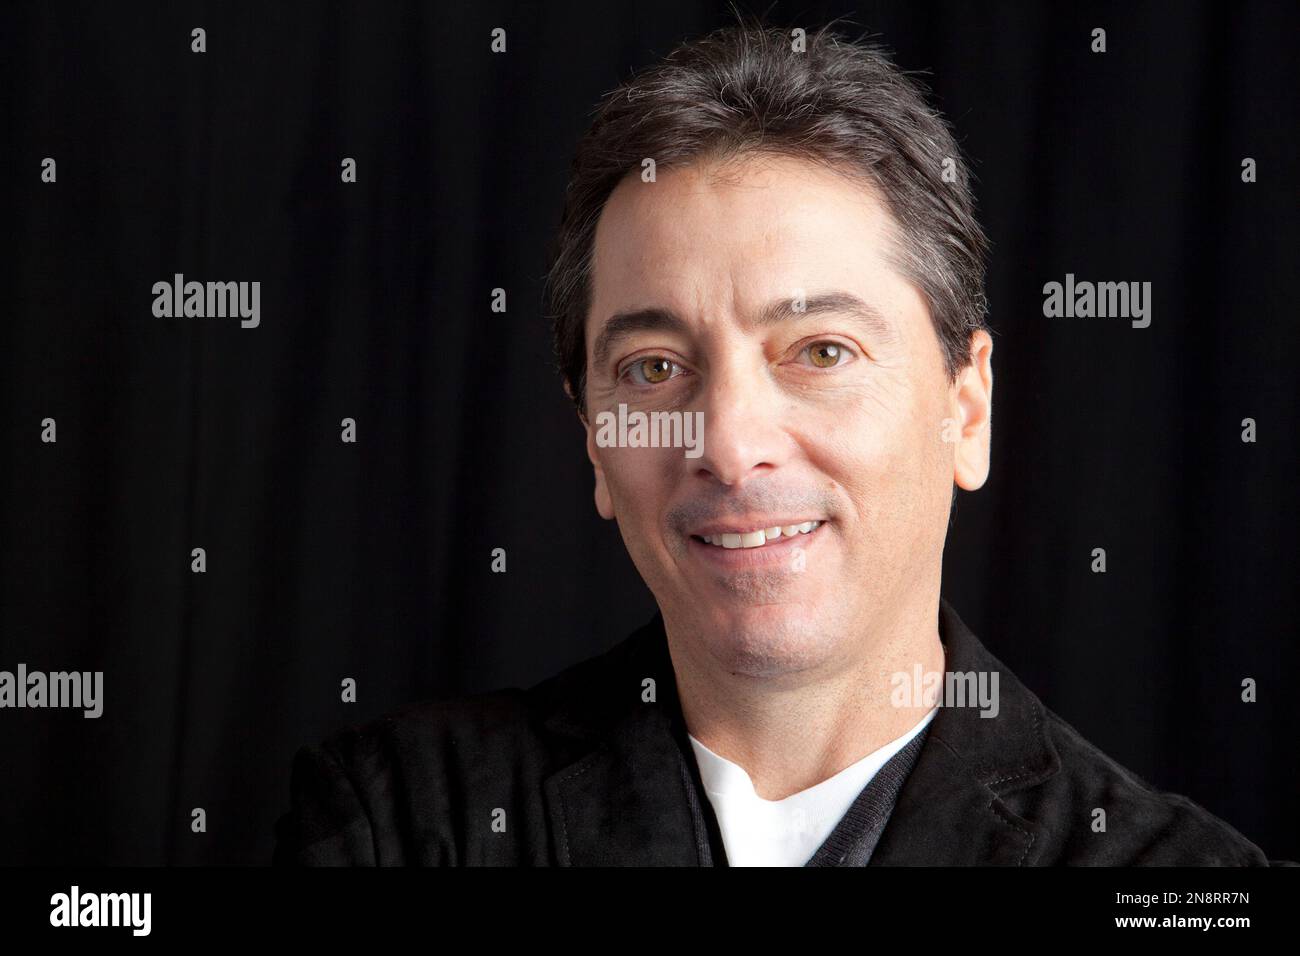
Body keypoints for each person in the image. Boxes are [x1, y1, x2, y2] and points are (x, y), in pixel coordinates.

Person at [273, 21, 1281, 866]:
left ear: (965, 407)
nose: (729, 441)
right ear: (593, 439)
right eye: (654, 367)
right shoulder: (403, 824)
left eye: (819, 349)